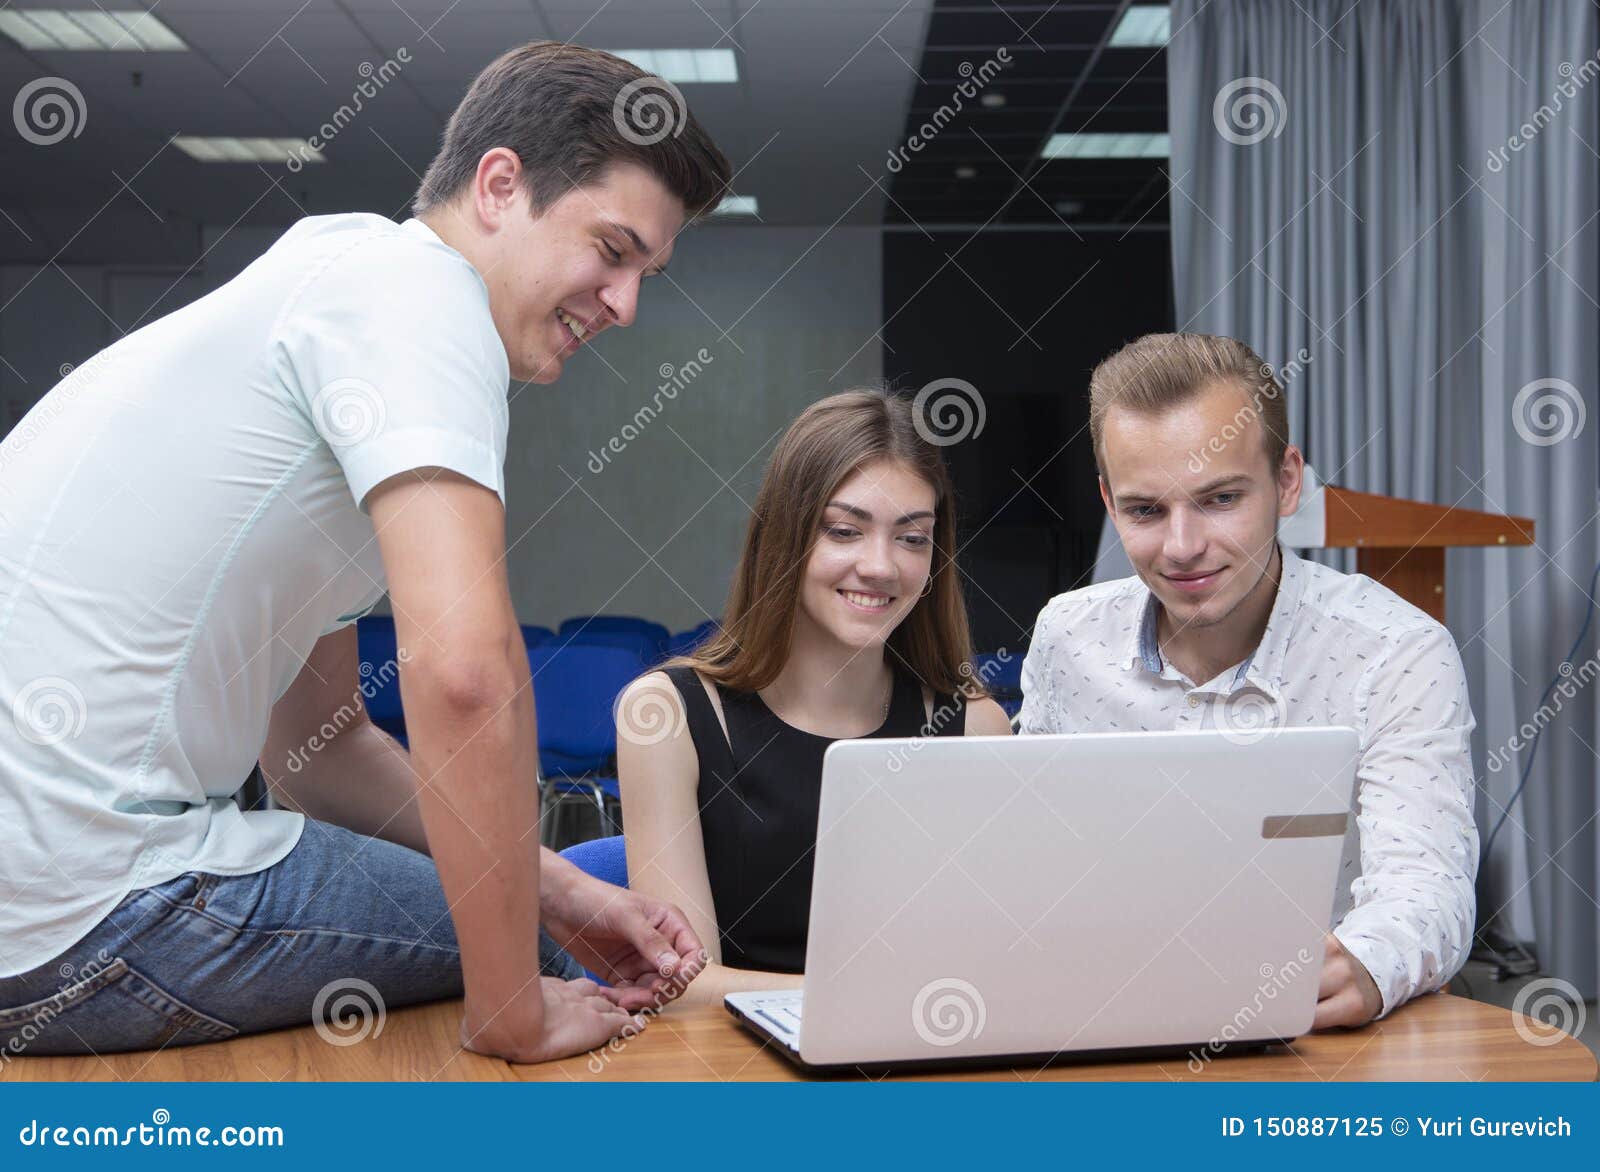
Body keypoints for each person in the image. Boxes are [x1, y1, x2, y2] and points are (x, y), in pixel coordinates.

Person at [0, 42, 729, 1063]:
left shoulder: (336, 285)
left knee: (530, 919)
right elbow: (466, 678)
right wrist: (511, 1001)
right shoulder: (421, 302)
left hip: (37, 913)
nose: (624, 303)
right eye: (611, 250)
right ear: (500, 185)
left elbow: (320, 747)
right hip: (97, 914)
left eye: (644, 272)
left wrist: (556, 886)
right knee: (555, 974)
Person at [1017, 332, 1478, 1030]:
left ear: (1287, 481)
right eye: (1146, 510)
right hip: (1100, 1022)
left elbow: (1428, 888)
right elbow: (1035, 864)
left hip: (1311, 1041)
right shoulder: (1066, 636)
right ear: (1110, 503)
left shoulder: (1399, 652)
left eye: (1221, 498)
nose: (1182, 547)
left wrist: (1364, 964)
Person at [618, 390, 1014, 1005]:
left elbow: (991, 961)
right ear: (786, 538)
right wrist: (864, 1002)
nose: (881, 566)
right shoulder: (668, 716)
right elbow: (681, 982)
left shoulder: (976, 727)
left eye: (912, 539)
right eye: (845, 531)